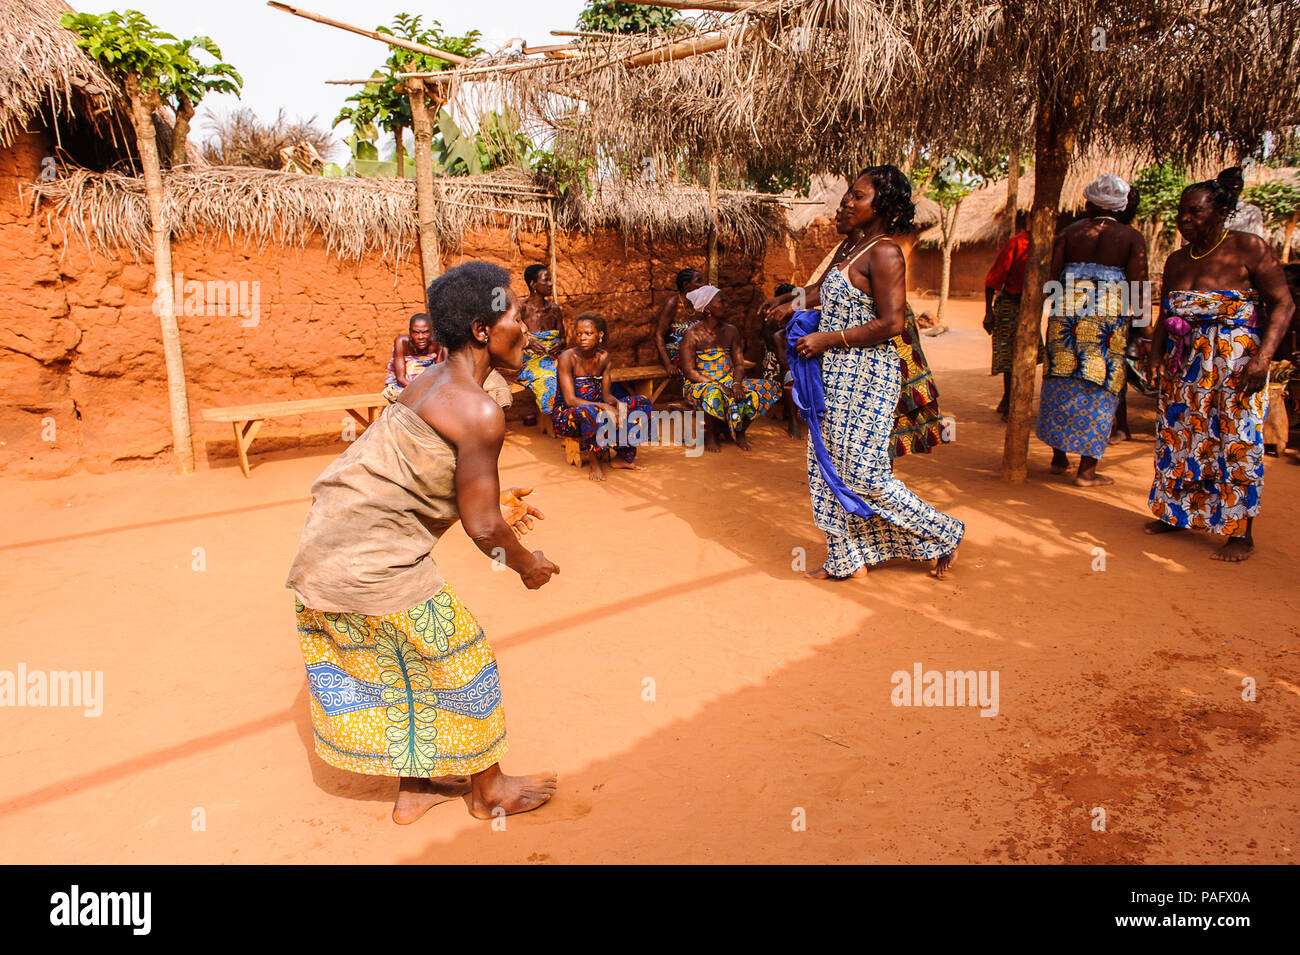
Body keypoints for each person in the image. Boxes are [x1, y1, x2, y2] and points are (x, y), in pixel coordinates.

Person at [286, 261, 560, 825]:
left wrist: (498, 508)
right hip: (372, 560)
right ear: (483, 331)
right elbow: (482, 528)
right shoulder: (479, 409)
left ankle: (417, 788)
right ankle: (489, 792)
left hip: (326, 548)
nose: (525, 327)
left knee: (395, 663)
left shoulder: (427, 381)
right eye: (514, 314)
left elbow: (423, 476)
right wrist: (528, 564)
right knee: (465, 662)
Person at [759, 166, 964, 580]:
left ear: (882, 205)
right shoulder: (853, 246)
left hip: (868, 374)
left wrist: (826, 340)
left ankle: (943, 532)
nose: (846, 203)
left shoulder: (885, 252)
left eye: (858, 196)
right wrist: (792, 302)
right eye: (847, 196)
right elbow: (826, 289)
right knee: (827, 464)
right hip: (834, 374)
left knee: (865, 473)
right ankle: (846, 559)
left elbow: (891, 323)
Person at [1145, 180, 1295, 561]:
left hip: (1236, 364)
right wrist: (1155, 355)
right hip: (1185, 367)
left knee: (1235, 441)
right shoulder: (1178, 260)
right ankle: (1177, 513)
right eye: (1182, 211)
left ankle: (1240, 532)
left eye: (1195, 211)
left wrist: (1263, 360)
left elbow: (1284, 304)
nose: (1185, 218)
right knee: (1180, 439)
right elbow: (1168, 314)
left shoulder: (1247, 247)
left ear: (1220, 210)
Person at [1035, 174, 1149, 486]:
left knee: (1062, 377)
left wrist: (1049, 315)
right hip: (1106, 325)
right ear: (1123, 207)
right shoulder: (1131, 237)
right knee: (1101, 384)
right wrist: (1144, 330)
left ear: (1088, 204)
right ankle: (1087, 471)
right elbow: (1138, 289)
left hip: (1066, 317)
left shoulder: (1069, 233)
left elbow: (1051, 278)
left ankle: (1059, 458)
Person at [551, 313, 654, 481]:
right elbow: (570, 400)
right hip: (568, 415)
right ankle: (594, 463)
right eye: (579, 333)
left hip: (597, 409)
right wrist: (604, 407)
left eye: (588, 333)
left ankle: (622, 457)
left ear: (599, 335)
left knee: (641, 403)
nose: (582, 338)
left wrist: (618, 404)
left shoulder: (604, 357)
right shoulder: (567, 358)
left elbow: (606, 395)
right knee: (590, 412)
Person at [680, 285, 782, 452]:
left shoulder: (731, 331)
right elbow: (689, 371)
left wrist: (736, 383)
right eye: (722, 301)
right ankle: (712, 435)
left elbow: (739, 364)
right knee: (713, 393)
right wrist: (718, 385)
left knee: (768, 388)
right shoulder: (692, 334)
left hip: (729, 380)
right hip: (699, 383)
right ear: (708, 309)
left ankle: (739, 430)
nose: (727, 305)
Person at [983, 211, 1039, 419]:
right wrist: (989, 311)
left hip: (1031, 307)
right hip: (1010, 303)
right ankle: (1009, 398)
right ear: (1029, 219)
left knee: (1028, 354)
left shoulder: (1048, 245)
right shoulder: (1017, 243)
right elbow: (993, 279)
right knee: (1009, 356)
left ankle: (1014, 398)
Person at [515, 264, 565, 417]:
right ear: (533, 284)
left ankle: (571, 418)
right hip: (530, 360)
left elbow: (563, 339)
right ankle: (561, 420)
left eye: (550, 280)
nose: (551, 284)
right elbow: (512, 339)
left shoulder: (554, 309)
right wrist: (528, 342)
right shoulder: (521, 309)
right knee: (548, 379)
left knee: (575, 375)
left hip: (554, 358)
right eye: (546, 280)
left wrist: (559, 343)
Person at [760, 282, 804, 439]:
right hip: (776, 364)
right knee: (790, 376)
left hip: (792, 361)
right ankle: (793, 421)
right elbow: (782, 359)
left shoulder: (796, 319)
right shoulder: (775, 321)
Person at [382, 313, 445, 403]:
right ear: (410, 332)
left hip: (428, 383)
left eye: (425, 332)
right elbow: (401, 380)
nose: (420, 337)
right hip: (405, 385)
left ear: (432, 332)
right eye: (415, 332)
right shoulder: (401, 342)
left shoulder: (437, 344)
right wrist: (422, 392)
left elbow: (439, 374)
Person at [654, 268, 705, 373]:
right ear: (687, 285)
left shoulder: (699, 304)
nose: (702, 285)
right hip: (676, 357)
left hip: (695, 355)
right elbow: (658, 335)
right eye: (699, 281)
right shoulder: (673, 304)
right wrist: (668, 364)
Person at [1218, 166, 1267, 239]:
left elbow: (1256, 243)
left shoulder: (1252, 211)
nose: (1236, 184)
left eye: (1239, 179)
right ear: (1220, 184)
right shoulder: (1209, 210)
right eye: (1230, 180)